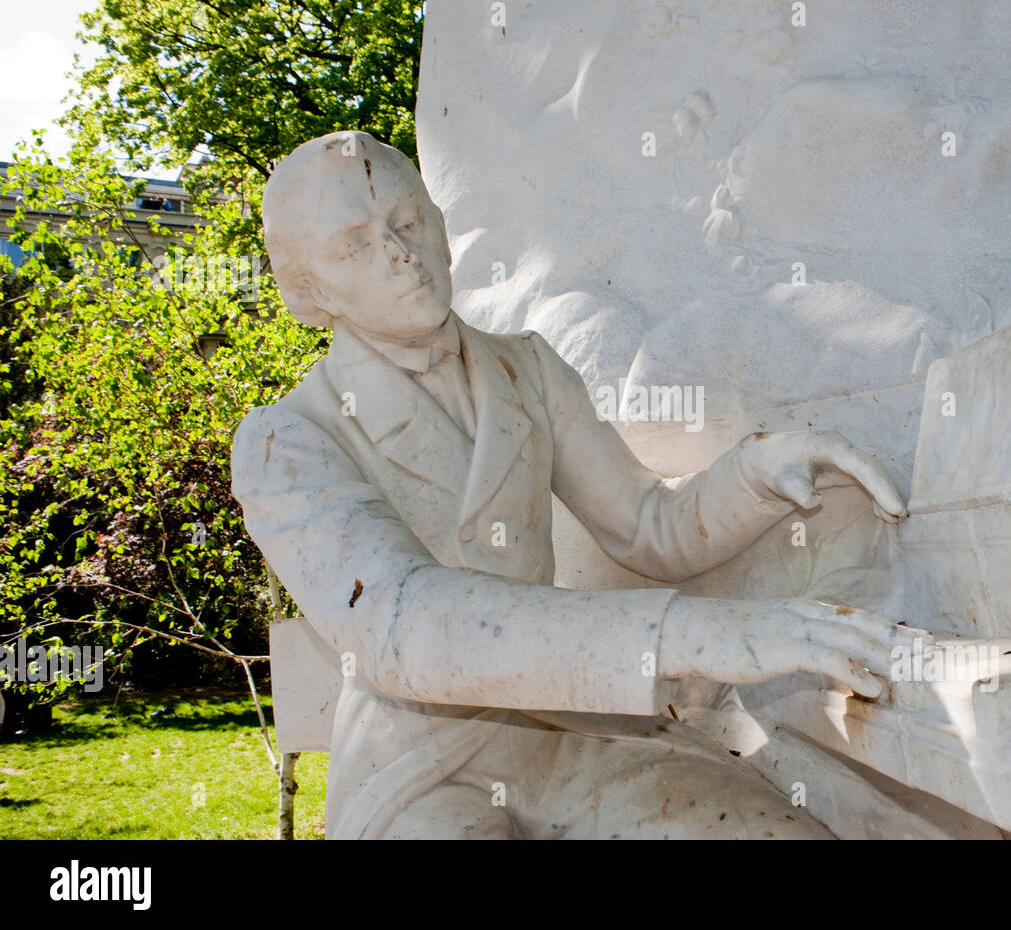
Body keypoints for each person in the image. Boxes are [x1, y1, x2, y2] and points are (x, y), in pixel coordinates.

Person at [232, 130, 920, 838]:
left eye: (407, 220)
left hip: (572, 730)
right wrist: (697, 633)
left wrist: (759, 471)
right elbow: (401, 623)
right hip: (419, 771)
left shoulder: (525, 370)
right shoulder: (289, 439)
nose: (401, 254)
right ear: (307, 292)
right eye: (355, 245)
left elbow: (649, 525)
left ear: (439, 224)